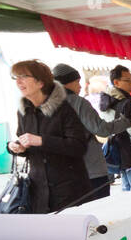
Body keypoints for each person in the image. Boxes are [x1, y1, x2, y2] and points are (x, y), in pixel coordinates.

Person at [8, 59, 93, 213]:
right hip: (38, 191)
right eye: (16, 78)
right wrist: (16, 147)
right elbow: (25, 142)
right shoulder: (23, 111)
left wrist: (42, 141)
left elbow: (79, 146)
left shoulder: (63, 109)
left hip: (69, 191)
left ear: (40, 83)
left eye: (23, 77)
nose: (19, 82)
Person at [51, 63, 129, 203]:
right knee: (98, 214)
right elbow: (101, 129)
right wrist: (125, 122)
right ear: (67, 83)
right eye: (77, 82)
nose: (80, 86)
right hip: (90, 170)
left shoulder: (48, 104)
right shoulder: (78, 102)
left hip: (63, 174)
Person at [99, 64, 131, 191]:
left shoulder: (107, 102)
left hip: (117, 153)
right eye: (127, 80)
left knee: (127, 191)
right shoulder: (127, 103)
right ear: (116, 82)